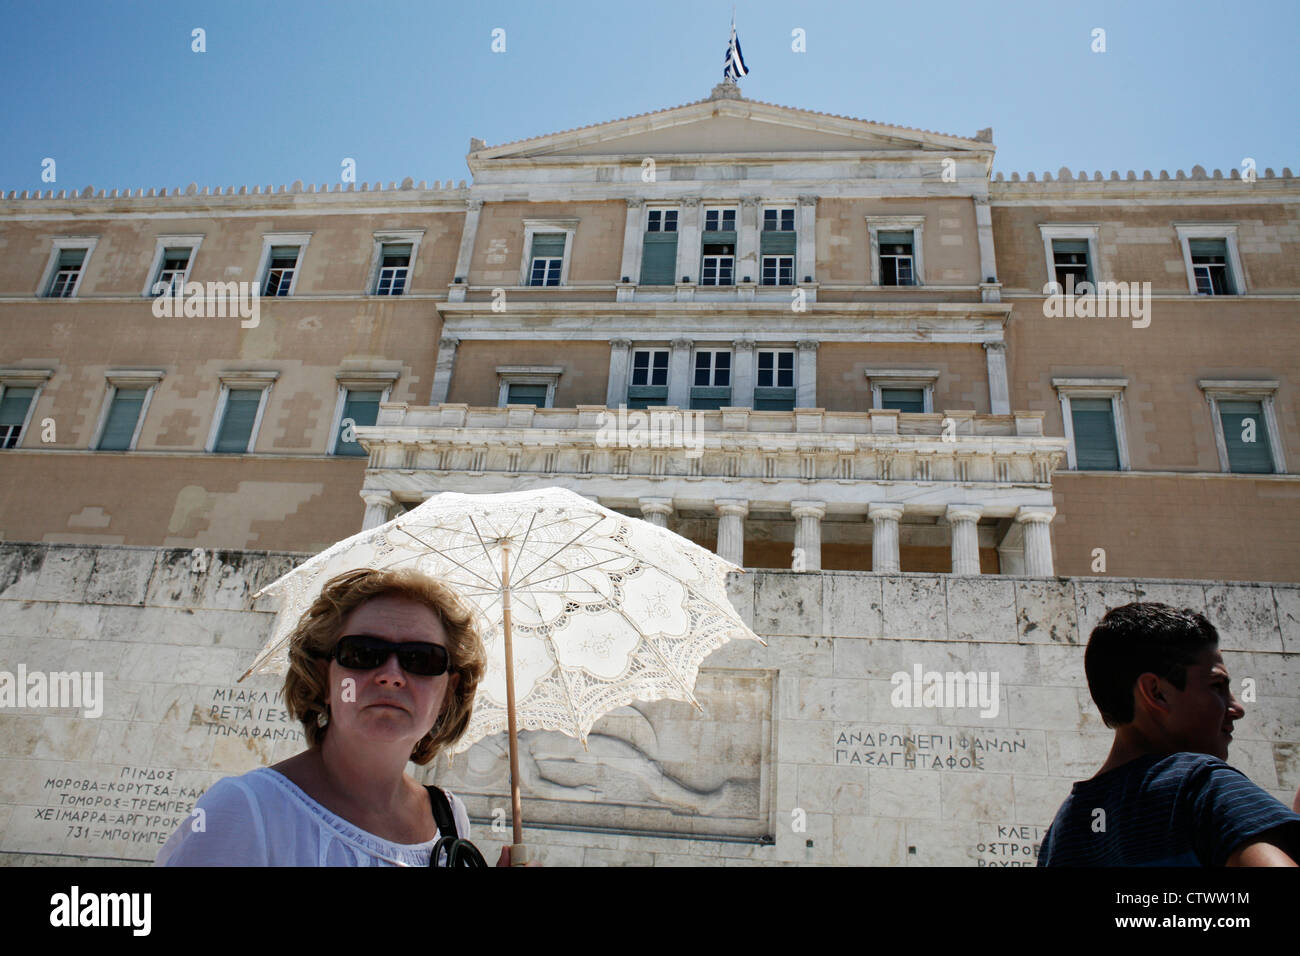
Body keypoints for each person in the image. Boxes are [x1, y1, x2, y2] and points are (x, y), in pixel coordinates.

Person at [156, 566, 517, 866]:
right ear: (324, 678)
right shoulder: (247, 810)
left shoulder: (450, 819)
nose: (391, 674)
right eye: (362, 653)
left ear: (448, 691)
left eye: (421, 659)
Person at [1038, 602, 1300, 866]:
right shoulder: (1200, 786)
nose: (1237, 708)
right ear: (1156, 693)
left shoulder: (1062, 833)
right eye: (1217, 686)